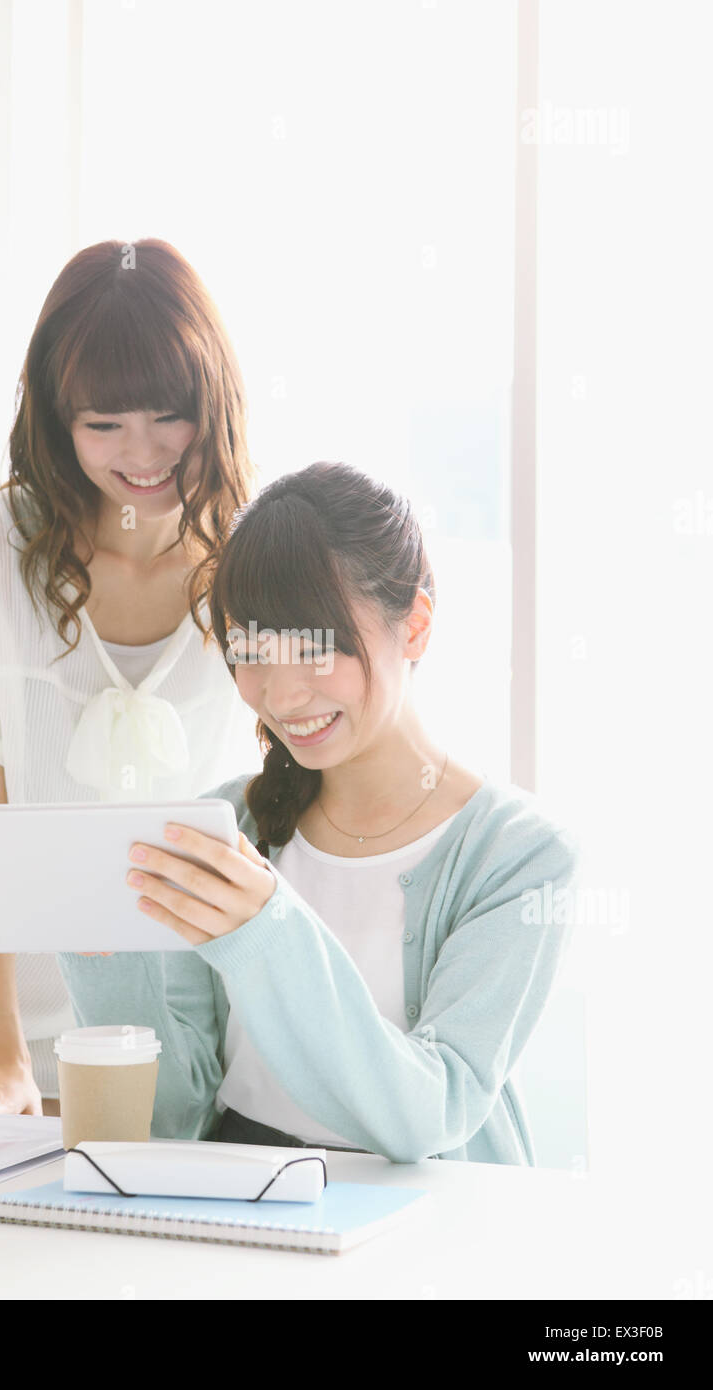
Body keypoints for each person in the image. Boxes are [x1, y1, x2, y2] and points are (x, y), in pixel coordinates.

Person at [57, 462, 581, 1163]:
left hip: (423, 1228)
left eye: (312, 649)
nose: (282, 696)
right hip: (242, 1208)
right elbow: (176, 1118)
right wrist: (107, 954)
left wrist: (267, 929)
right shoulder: (230, 828)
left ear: (415, 628)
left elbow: (430, 1114)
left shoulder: (519, 855)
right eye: (250, 654)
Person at [0, 238, 262, 1116]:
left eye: (166, 417)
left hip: (130, 1025)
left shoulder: (250, 565)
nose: (140, 454)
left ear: (211, 404)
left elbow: (280, 796)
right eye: (102, 423)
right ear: (56, 419)